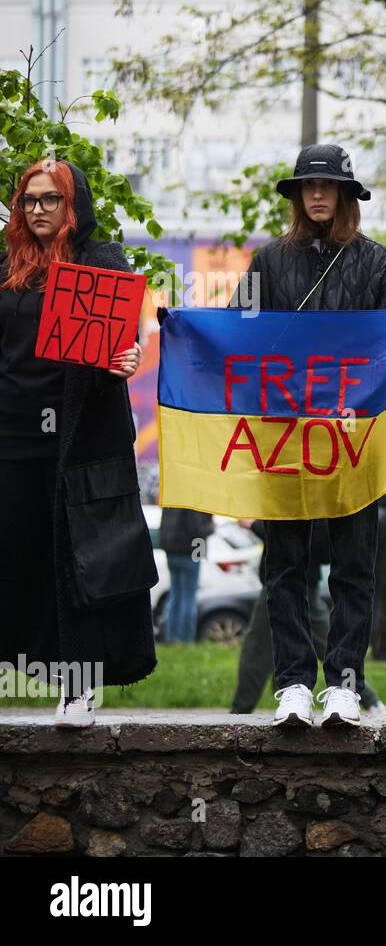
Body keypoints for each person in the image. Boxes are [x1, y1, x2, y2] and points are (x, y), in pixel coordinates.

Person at [232, 144, 386, 728]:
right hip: (284, 436)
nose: (316, 194)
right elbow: (237, 336)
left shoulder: (376, 263)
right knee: (285, 564)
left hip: (354, 441)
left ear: (346, 195)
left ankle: (345, 687)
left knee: (355, 564)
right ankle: (293, 686)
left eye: (327, 186)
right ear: (297, 195)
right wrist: (185, 331)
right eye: (307, 185)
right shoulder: (268, 262)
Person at [0, 158, 155, 727]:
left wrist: (127, 359)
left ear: (73, 206)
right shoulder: (4, 265)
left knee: (83, 564)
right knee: (18, 557)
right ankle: (22, 676)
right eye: (29, 201)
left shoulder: (100, 260)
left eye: (50, 200)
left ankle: (79, 689)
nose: (38, 210)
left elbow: (123, 342)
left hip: (80, 440)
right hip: (12, 436)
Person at [231, 520, 386, 715]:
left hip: (303, 582)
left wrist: (254, 525)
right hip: (291, 581)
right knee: (289, 642)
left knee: (258, 648)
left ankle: (242, 709)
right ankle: (293, 689)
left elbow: (317, 539)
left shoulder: (319, 502)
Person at [158, 508, 213, 644]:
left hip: (171, 551)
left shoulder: (171, 498)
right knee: (189, 598)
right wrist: (211, 527)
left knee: (175, 597)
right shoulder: (192, 501)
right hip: (191, 551)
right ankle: (186, 640)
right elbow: (198, 530)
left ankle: (171, 638)